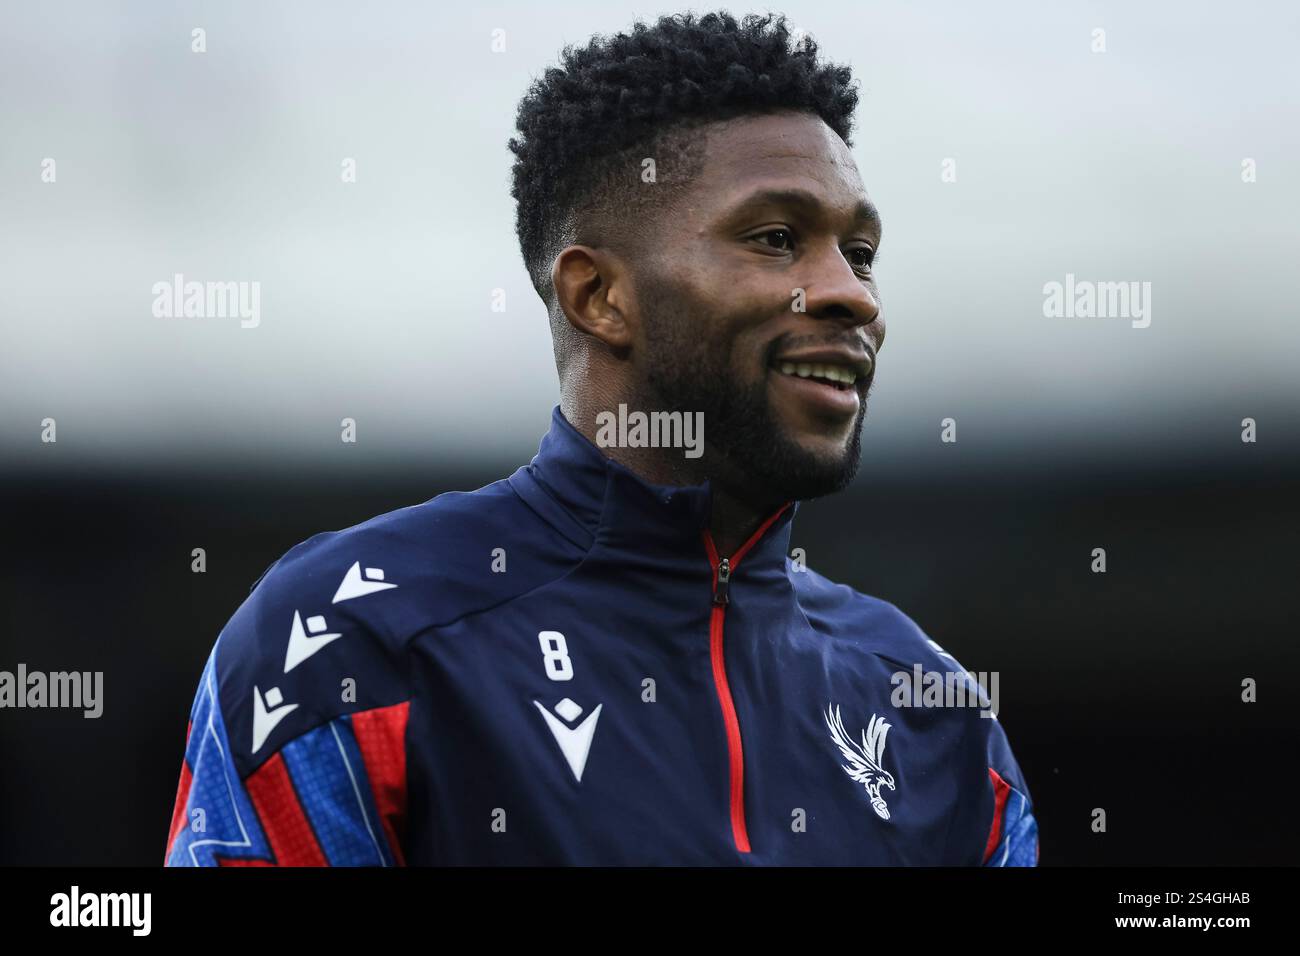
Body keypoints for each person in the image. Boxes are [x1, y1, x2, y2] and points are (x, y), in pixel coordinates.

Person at [165, 10, 1037, 866]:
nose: (854, 295)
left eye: (860, 252)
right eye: (777, 239)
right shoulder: (354, 641)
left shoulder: (937, 719)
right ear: (597, 298)